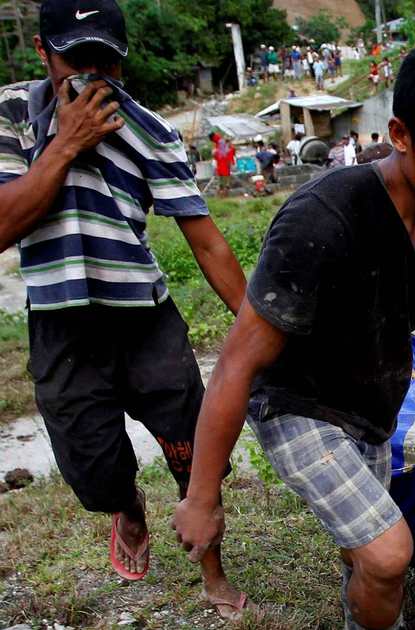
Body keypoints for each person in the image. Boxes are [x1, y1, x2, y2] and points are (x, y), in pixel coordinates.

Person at [172, 36, 415, 630]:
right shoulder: (325, 215)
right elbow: (236, 363)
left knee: (361, 551)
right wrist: (203, 496)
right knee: (389, 555)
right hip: (296, 402)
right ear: (402, 134)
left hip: (371, 409)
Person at [0, 0, 249, 619]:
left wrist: (256, 327)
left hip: (146, 320)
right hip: (60, 324)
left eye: (103, 61)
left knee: (193, 453)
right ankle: (127, 508)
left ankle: (213, 570)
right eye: (73, 59)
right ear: (41, 51)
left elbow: (208, 238)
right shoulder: (10, 117)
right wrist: (64, 145)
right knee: (93, 472)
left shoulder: (149, 129)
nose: (89, 77)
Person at [210, 131, 236, 197]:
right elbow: (231, 151)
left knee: (223, 180)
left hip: (223, 163)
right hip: (224, 164)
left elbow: (218, 154)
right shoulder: (220, 141)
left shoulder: (219, 142)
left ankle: (223, 193)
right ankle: (224, 193)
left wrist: (215, 154)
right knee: (225, 180)